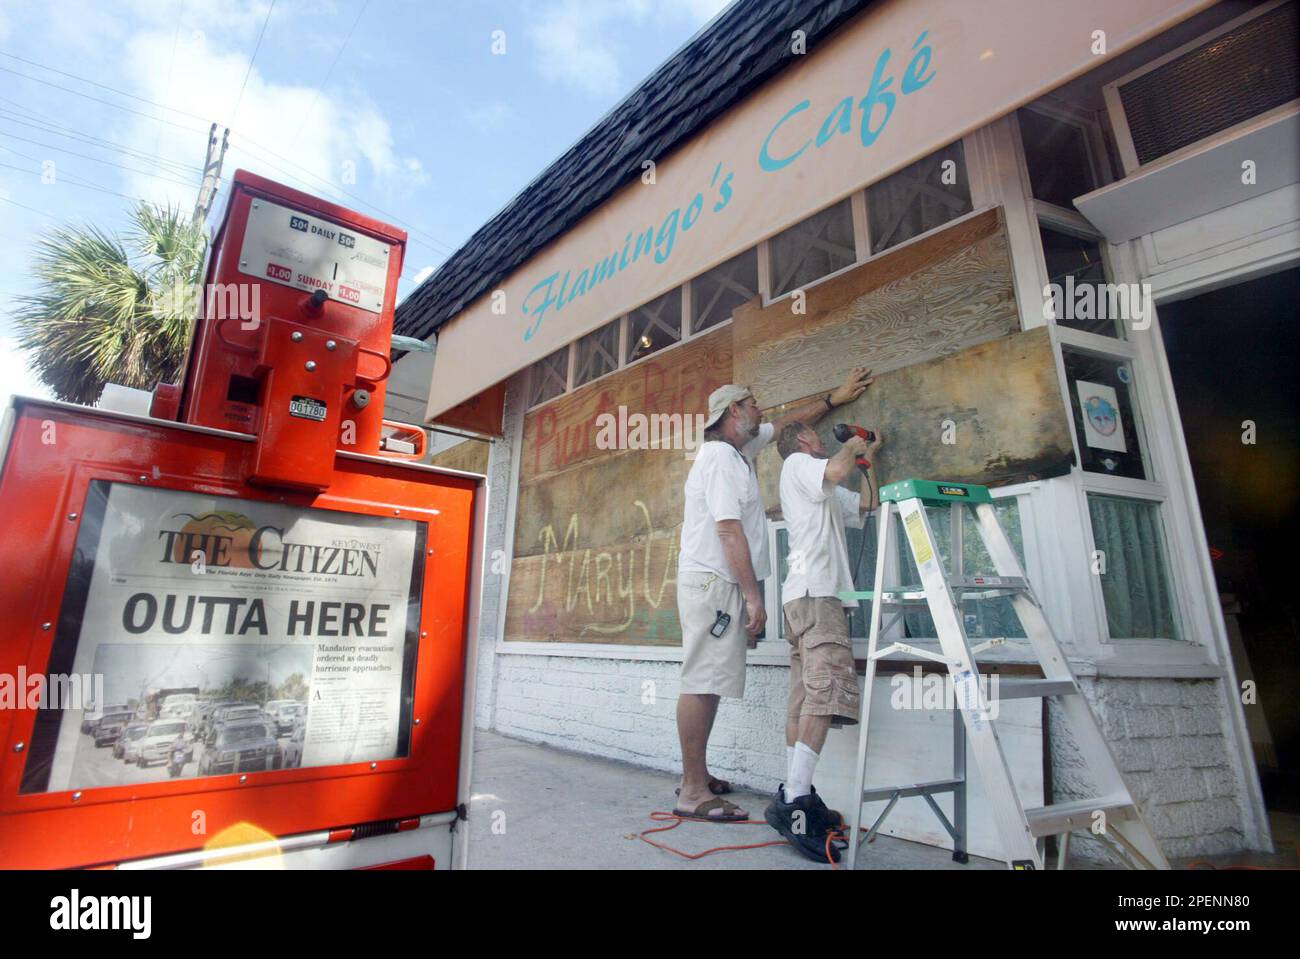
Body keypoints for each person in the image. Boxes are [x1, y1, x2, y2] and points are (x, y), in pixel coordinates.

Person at [673, 370, 873, 821]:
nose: (762, 410)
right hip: (715, 583)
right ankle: (691, 791)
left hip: (719, 583)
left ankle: (698, 777)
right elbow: (728, 529)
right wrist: (753, 596)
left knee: (712, 679)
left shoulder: (739, 450)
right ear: (734, 413)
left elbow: (786, 427)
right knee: (703, 680)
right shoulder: (721, 458)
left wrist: (830, 397)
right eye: (754, 404)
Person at [765, 419, 883, 861]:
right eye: (815, 434)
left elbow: (867, 504)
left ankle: (796, 793)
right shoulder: (798, 464)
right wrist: (854, 444)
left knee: (802, 698)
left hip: (805, 598)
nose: (819, 438)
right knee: (823, 695)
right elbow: (834, 470)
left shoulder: (824, 490)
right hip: (817, 596)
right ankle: (796, 802)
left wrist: (872, 455)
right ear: (803, 440)